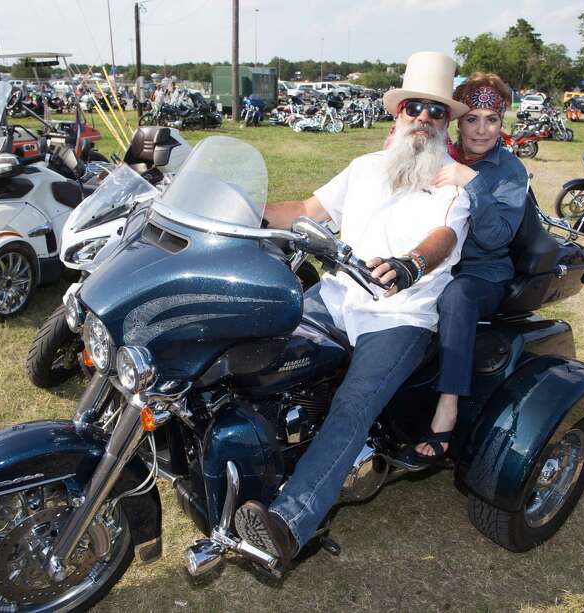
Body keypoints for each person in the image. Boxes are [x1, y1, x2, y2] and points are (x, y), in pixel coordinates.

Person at [233, 51, 472, 572]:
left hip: (401, 315)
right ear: (398, 112)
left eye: (436, 111)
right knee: (251, 344)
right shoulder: (366, 169)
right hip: (338, 298)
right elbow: (302, 212)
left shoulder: (454, 185)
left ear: (446, 123)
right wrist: (234, 210)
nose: (424, 119)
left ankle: (289, 523)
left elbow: (444, 237)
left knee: (353, 405)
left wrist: (411, 264)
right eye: (415, 108)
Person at [396, 73, 529, 465]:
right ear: (458, 121)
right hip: (433, 264)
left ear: (503, 123)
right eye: (472, 118)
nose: (482, 129)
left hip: (480, 275)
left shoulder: (509, 171)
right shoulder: (437, 152)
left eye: (492, 119)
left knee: (456, 296)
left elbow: (495, 238)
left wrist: (473, 183)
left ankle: (447, 407)